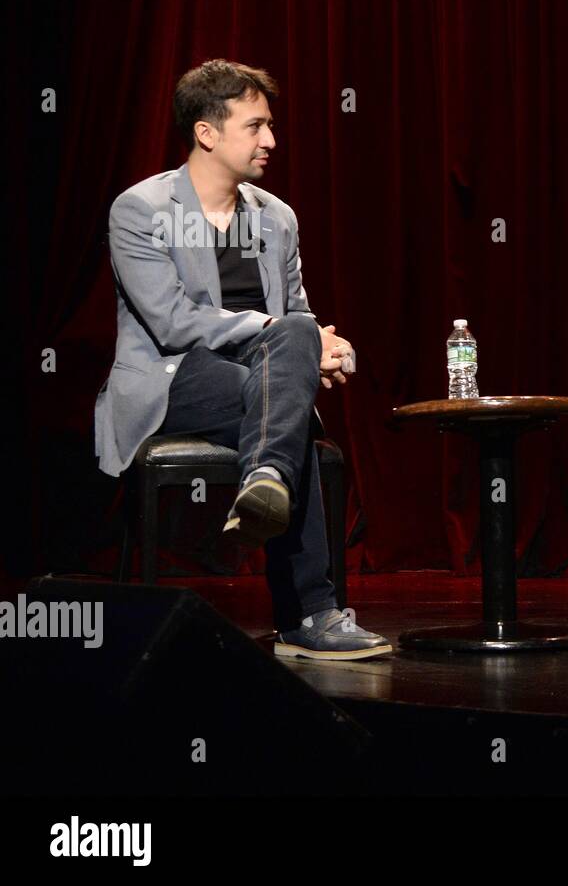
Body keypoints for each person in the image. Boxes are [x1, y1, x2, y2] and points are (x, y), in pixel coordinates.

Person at [94, 59, 391, 660]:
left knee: (286, 378)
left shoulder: (276, 218)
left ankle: (266, 479)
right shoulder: (141, 210)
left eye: (270, 127)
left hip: (260, 383)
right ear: (207, 132)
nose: (271, 141)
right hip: (171, 378)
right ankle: (310, 615)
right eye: (256, 127)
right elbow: (173, 323)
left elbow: (300, 314)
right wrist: (287, 337)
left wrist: (327, 347)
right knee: (291, 416)